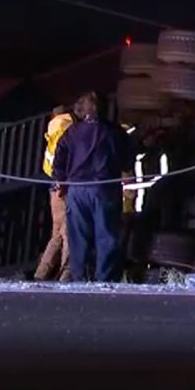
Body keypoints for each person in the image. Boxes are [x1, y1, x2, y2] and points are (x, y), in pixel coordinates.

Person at [51, 92, 132, 282]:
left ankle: (79, 277)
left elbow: (59, 157)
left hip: (77, 189)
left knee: (78, 236)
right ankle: (104, 278)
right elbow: (126, 159)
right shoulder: (114, 132)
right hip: (104, 188)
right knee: (106, 235)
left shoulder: (72, 132)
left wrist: (60, 180)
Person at [32, 105, 74, 281]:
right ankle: (66, 274)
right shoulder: (69, 129)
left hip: (54, 186)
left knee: (57, 232)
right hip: (69, 185)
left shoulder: (53, 132)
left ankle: (42, 273)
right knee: (69, 232)